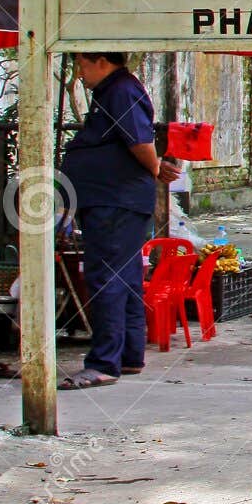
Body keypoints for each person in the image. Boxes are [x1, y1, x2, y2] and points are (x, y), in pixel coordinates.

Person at [55, 53, 179, 390]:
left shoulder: (121, 89)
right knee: (123, 277)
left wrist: (155, 168)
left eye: (82, 65)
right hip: (112, 199)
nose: (80, 73)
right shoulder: (113, 91)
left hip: (114, 201)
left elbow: (139, 141)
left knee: (106, 276)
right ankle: (128, 355)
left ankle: (103, 362)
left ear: (101, 61)